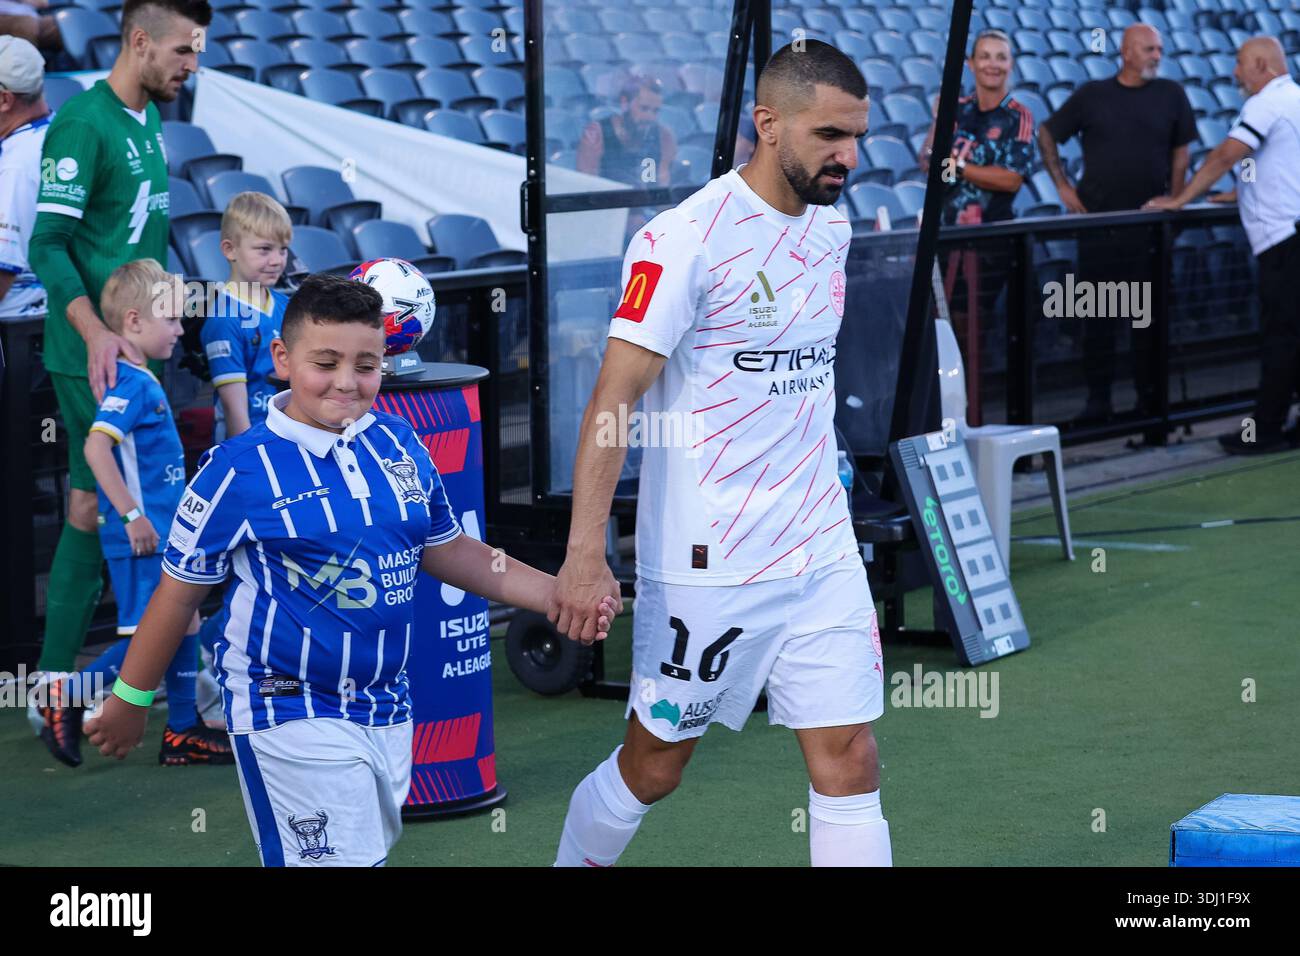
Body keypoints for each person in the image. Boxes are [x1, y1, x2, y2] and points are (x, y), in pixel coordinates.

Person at [84, 274, 616, 866]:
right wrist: (130, 699)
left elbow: (449, 549)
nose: (346, 381)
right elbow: (176, 597)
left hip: (388, 706)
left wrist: (558, 594)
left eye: (365, 365)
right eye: (326, 362)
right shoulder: (237, 470)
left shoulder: (397, 439)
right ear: (283, 360)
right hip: (284, 705)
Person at [549, 40, 890, 868]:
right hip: (708, 562)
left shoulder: (833, 230)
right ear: (768, 125)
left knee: (849, 757)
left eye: (856, 137)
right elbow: (611, 402)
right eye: (829, 136)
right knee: (655, 768)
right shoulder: (682, 241)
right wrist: (585, 553)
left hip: (819, 546)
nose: (848, 155)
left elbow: (800, 379)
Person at [27, 0, 211, 727]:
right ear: (139, 42)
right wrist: (98, 334)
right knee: (94, 508)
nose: (191, 67)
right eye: (182, 53)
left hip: (136, 349)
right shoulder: (81, 123)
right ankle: (66, 691)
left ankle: (74, 686)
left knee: (84, 506)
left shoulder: (150, 119)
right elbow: (47, 246)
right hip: (93, 356)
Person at [40, 259, 233, 767]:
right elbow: (96, 450)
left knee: (185, 621)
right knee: (154, 634)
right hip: (143, 537)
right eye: (170, 319)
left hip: (163, 535)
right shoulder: (134, 383)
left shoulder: (141, 378)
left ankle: (183, 730)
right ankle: (67, 694)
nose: (179, 329)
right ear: (133, 322)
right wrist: (132, 517)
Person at [1146, 36, 1300, 455]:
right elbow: (1280, 164)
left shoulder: (1265, 103)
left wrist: (1181, 198)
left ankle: (1264, 430)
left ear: (1261, 64)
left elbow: (1225, 156)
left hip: (1285, 241)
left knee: (1281, 340)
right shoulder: (1295, 98)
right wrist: (1242, 194)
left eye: (1239, 64)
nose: (1233, 73)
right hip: (1292, 232)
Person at [1040, 24, 1196, 429]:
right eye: (1149, 48)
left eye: (1160, 48)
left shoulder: (1172, 94)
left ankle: (1152, 406)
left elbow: (1182, 153)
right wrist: (1061, 186)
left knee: (1150, 323)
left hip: (1151, 233)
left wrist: (1175, 201)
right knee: (1100, 323)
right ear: (1126, 52)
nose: (1156, 55)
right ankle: (1099, 405)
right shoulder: (1094, 95)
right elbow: (1047, 133)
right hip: (1101, 231)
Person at [920, 29, 1035, 360]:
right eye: (985, 56)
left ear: (1011, 64)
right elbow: (927, 162)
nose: (993, 64)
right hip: (945, 233)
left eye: (1001, 57)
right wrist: (937, 122)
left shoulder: (1019, 116)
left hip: (988, 240)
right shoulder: (957, 109)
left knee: (969, 326)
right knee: (936, 323)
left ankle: (973, 402)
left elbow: (1011, 179)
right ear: (970, 63)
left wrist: (956, 166)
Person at [200, 191, 291, 440]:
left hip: (287, 436)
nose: (276, 260)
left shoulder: (288, 306)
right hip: (249, 443)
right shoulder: (224, 319)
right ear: (230, 250)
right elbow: (234, 411)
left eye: (282, 250)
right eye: (264, 249)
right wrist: (253, 461)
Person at [0, 36, 50, 321]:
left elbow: (2, 273)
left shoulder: (16, 166)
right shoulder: (58, 130)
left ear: (5, 99)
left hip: (18, 327)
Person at [577, 75, 678, 188]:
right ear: (624, 103)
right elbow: (587, 186)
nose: (650, 117)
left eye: (655, 111)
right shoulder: (596, 134)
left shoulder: (664, 136)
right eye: (644, 108)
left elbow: (662, 189)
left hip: (648, 203)